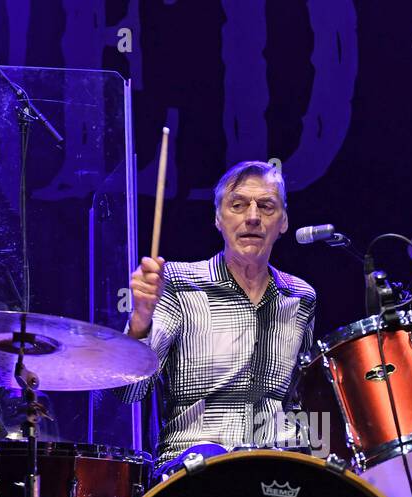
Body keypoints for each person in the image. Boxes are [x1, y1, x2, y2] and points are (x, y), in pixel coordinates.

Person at [123, 160, 317, 472]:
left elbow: (296, 401)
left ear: (283, 222)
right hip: (190, 469)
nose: (252, 217)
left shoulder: (300, 297)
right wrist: (141, 317)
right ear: (218, 218)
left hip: (273, 468)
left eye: (266, 206)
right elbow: (129, 389)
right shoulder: (177, 283)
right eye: (238, 205)